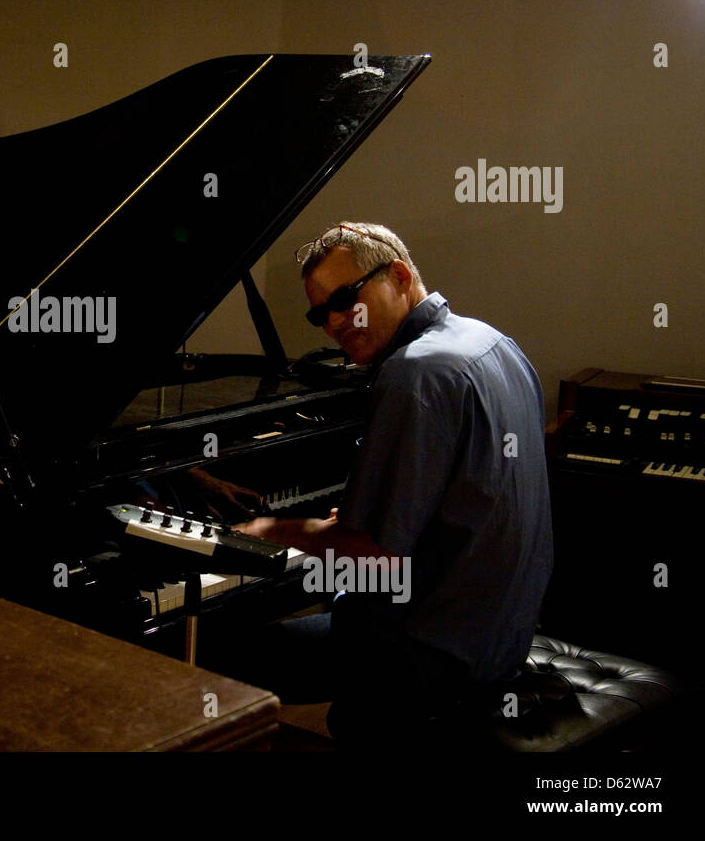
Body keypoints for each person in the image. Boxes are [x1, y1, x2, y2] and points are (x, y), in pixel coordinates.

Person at [214, 222, 553, 748]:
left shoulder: (413, 373)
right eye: (318, 312)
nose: (332, 323)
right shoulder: (493, 343)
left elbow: (377, 559)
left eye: (346, 299)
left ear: (398, 274)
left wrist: (276, 528)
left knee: (216, 650)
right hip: (500, 640)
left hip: (423, 659)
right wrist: (350, 528)